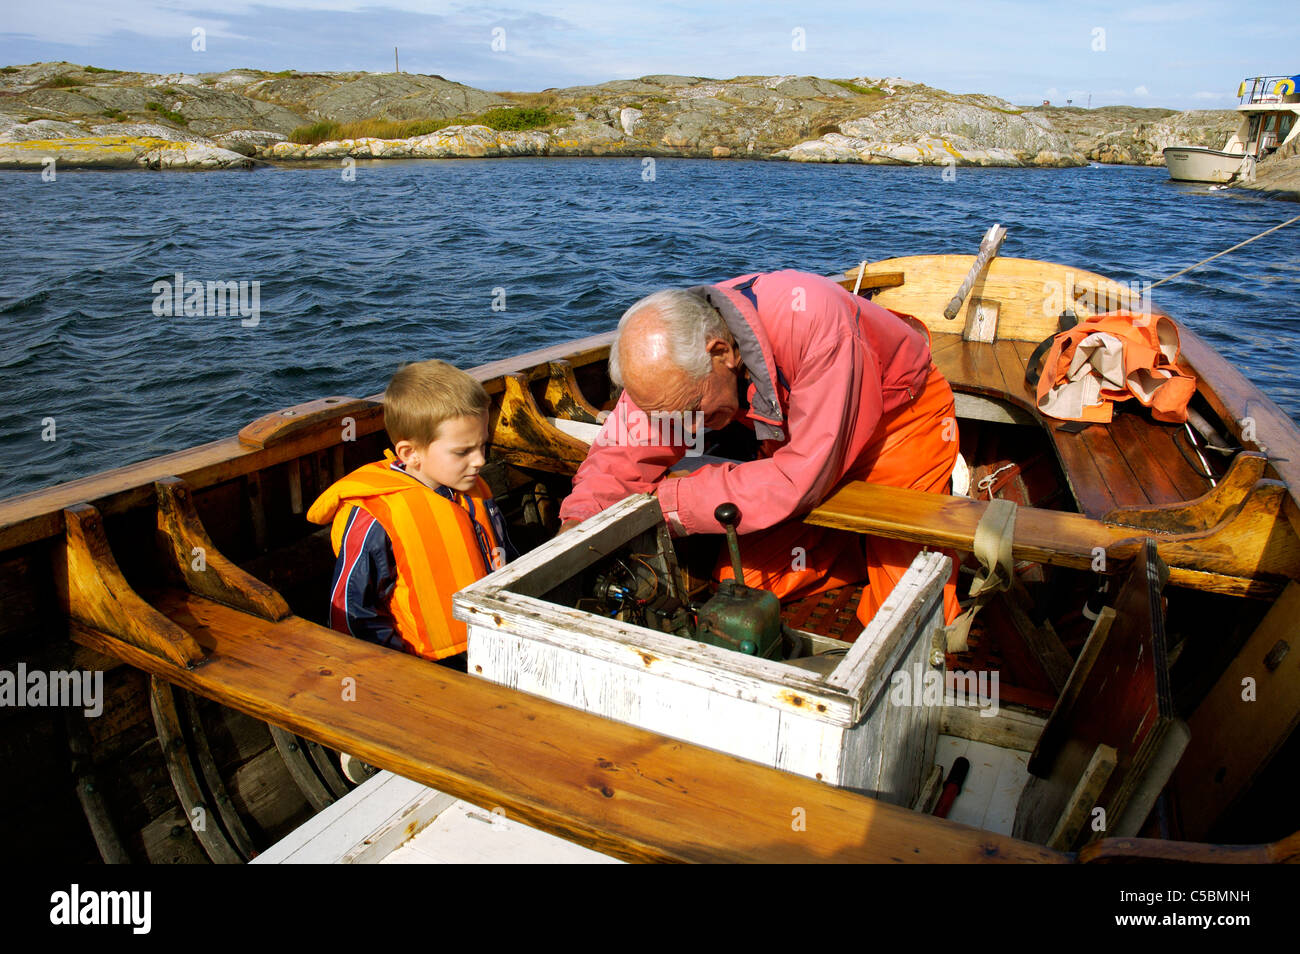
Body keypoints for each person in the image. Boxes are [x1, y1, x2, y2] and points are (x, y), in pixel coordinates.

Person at [558, 270, 960, 628]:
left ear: (723, 353)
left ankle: (886, 552)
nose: (689, 431)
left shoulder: (819, 324)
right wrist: (577, 525)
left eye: (693, 410)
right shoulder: (670, 365)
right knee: (743, 581)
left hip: (897, 428)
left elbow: (795, 479)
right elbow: (619, 455)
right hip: (803, 448)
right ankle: (855, 547)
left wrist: (667, 502)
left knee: (909, 618)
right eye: (674, 418)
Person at [307, 359, 516, 662]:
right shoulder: (376, 516)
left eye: (482, 446)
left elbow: (507, 556)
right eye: (463, 451)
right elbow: (353, 615)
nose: (480, 460)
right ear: (410, 453)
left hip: (498, 639)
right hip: (431, 665)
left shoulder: (473, 488)